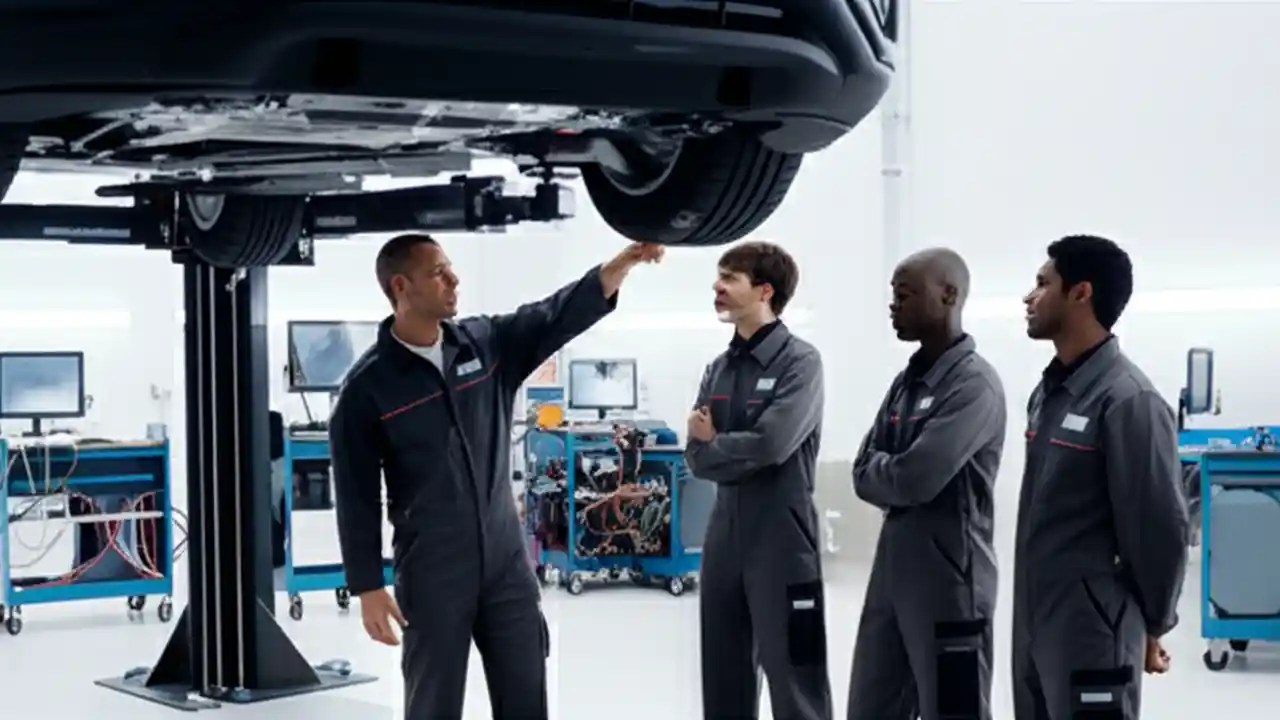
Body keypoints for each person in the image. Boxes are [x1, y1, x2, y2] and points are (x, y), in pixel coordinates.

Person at [329, 233, 664, 720]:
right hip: (433, 569)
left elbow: (554, 314)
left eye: (451, 268)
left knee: (526, 691)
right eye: (438, 272)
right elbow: (355, 497)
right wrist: (367, 587)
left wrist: (622, 264)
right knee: (433, 700)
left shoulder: (486, 344)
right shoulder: (366, 390)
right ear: (401, 287)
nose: (454, 279)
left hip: (506, 562)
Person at [1013, 234, 1189, 720]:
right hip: (1036, 626)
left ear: (1080, 293)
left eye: (1042, 283)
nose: (1028, 297)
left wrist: (1154, 623)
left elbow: (1158, 528)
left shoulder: (1128, 400)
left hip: (1093, 631)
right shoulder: (1050, 393)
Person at [847, 248, 1006, 720]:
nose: (893, 305)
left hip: (951, 580)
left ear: (948, 295)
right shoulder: (906, 381)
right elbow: (861, 472)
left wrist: (888, 470)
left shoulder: (974, 386)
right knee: (870, 707)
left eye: (904, 294)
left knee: (954, 710)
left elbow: (917, 478)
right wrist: (889, 471)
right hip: (893, 571)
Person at [684, 241, 832, 720]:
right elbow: (695, 457)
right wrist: (717, 450)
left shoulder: (800, 364)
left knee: (796, 680)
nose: (717, 286)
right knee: (723, 678)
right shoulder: (719, 368)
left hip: (783, 540)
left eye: (730, 278)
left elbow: (773, 444)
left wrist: (717, 446)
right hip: (724, 536)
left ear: (765, 291)